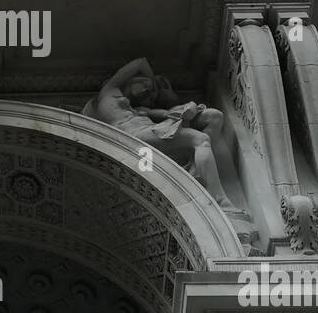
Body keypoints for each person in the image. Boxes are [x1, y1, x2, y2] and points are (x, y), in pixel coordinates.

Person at [90, 57, 240, 214]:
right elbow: (141, 62)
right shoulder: (108, 92)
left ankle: (196, 168)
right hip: (136, 138)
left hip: (154, 132)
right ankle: (221, 201)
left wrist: (188, 109)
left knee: (214, 116)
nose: (147, 88)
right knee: (201, 139)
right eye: (143, 83)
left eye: (149, 90)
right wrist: (153, 80)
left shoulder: (140, 109)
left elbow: (168, 113)